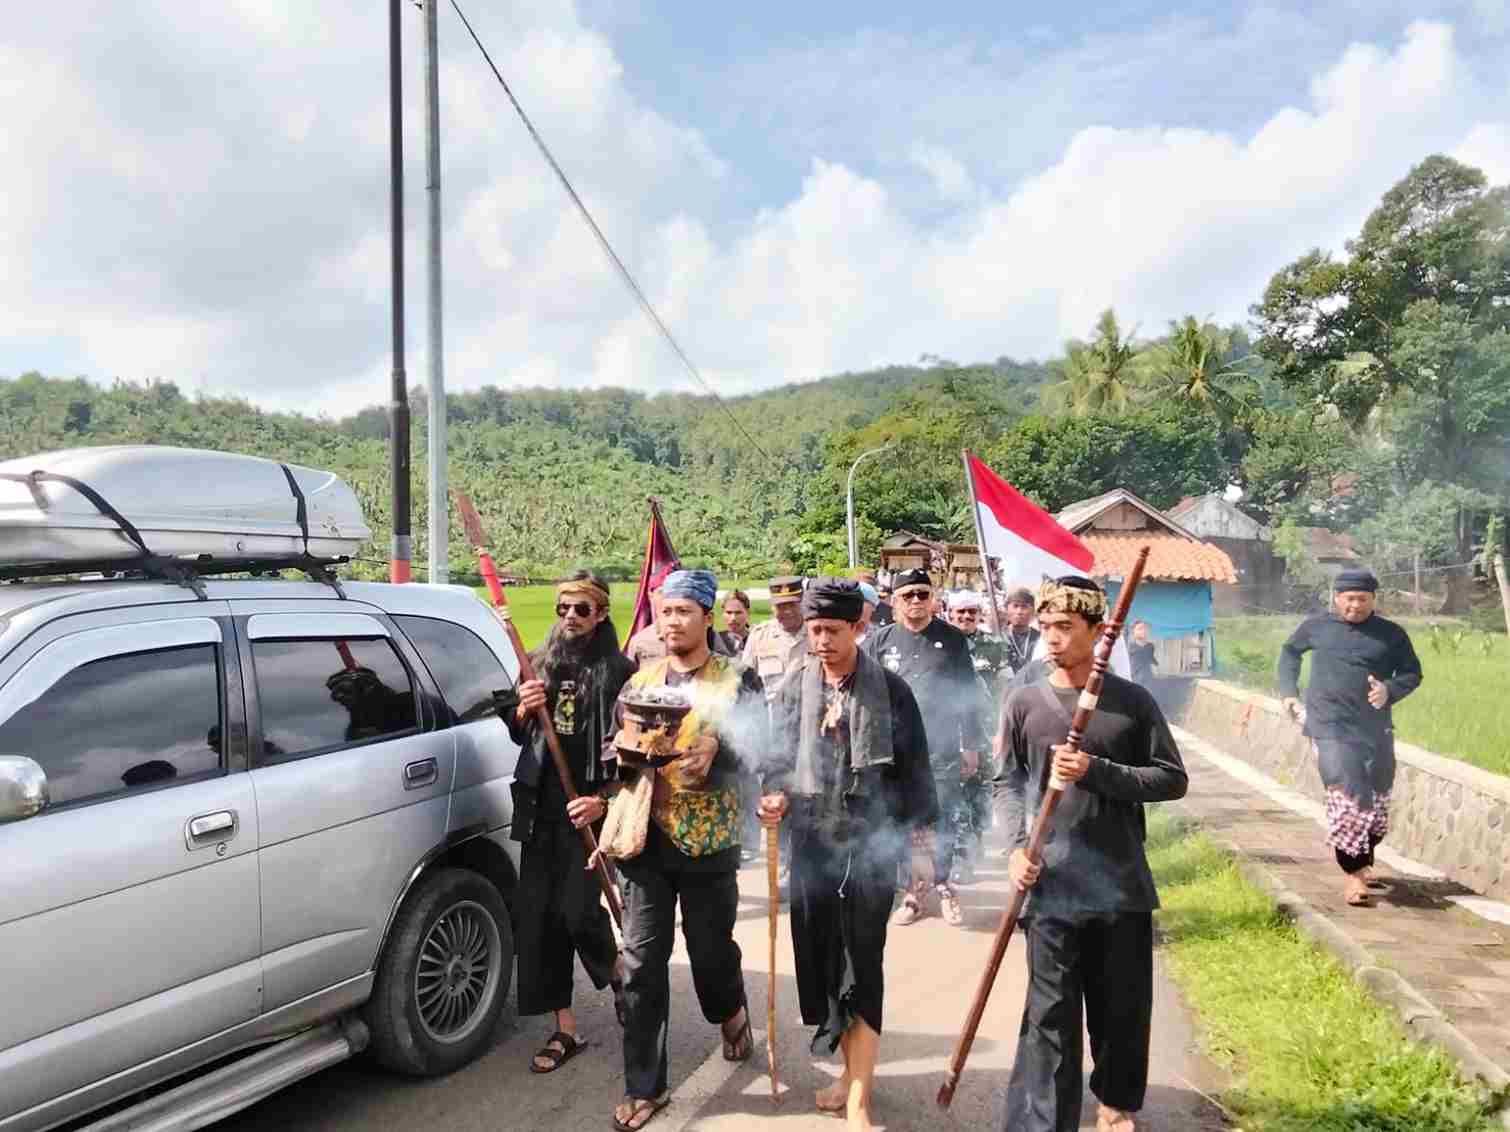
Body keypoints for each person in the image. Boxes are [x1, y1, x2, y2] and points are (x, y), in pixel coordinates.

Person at [998, 576, 1189, 1132]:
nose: (1052, 638)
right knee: (1049, 1014)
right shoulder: (1024, 698)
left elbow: (1171, 779)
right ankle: (1047, 1120)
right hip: (1050, 883)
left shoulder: (1131, 704)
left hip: (1119, 883)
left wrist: (1097, 771)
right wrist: (1015, 848)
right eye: (1045, 627)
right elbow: (1006, 782)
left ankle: (1115, 1100)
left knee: (1120, 1009)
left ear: (1098, 632)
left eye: (1064, 627)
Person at [760, 578, 937, 1132]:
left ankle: (860, 1095)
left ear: (858, 628)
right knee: (822, 962)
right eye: (813, 630)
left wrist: (921, 852)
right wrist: (771, 796)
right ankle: (847, 1073)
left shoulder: (890, 690)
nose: (821, 641)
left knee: (861, 966)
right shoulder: (795, 686)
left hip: (871, 845)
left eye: (832, 630)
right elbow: (776, 758)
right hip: (812, 844)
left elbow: (916, 774)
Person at [608, 569, 766, 1132]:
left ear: (706, 616)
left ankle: (731, 1010)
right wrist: (624, 753)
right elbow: (613, 749)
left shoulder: (737, 679)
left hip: (709, 841)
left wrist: (716, 753)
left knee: (709, 953)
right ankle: (644, 1086)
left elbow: (758, 753)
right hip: (646, 840)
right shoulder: (640, 680)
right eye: (664, 612)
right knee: (642, 962)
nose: (671, 622)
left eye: (683, 612)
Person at [496, 570, 636, 1074]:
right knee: (540, 918)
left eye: (581, 609)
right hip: (541, 805)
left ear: (600, 614)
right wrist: (524, 710)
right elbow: (519, 736)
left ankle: (618, 969)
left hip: (590, 807)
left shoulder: (621, 671)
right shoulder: (534, 663)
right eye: (563, 609)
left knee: (577, 911)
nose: (569, 617)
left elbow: (636, 752)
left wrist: (602, 800)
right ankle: (566, 1028)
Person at [1278, 567, 1423, 907]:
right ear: (1336, 598)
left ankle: (1364, 854)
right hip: (1328, 725)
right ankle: (1353, 874)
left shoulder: (1391, 634)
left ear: (1374, 599)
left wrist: (1389, 689)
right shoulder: (1317, 627)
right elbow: (1289, 653)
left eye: (1362, 599)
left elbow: (1413, 673)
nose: (1355, 605)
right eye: (1349, 598)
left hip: (1375, 729)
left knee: (1377, 801)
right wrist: (1288, 691)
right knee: (1347, 794)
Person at [863, 568, 987, 927]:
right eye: (908, 595)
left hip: (942, 747)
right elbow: (866, 697)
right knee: (903, 821)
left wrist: (972, 745)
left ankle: (945, 885)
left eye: (922, 594)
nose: (915, 601)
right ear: (894, 601)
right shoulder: (879, 642)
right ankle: (914, 893)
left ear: (933, 599)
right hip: (895, 750)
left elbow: (969, 697)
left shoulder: (952, 640)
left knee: (942, 818)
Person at [947, 589, 1008, 883]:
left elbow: (1005, 689)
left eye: (971, 612)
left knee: (981, 791)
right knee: (954, 794)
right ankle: (960, 856)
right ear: (950, 614)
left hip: (985, 730)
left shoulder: (994, 646)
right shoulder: (941, 641)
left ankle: (977, 838)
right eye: (961, 612)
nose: (966, 617)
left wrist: (1002, 728)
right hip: (950, 730)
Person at [741, 574, 807, 699]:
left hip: (809, 715)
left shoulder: (817, 635)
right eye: (780, 606)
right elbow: (746, 682)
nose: (788, 611)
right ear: (772, 607)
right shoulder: (759, 636)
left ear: (803, 603)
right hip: (771, 715)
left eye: (792, 604)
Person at [999, 586, 1041, 676]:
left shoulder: (1040, 639)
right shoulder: (998, 637)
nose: (1019, 611)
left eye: (1024, 606)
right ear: (1007, 609)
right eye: (1015, 606)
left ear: (1033, 611)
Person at [717, 589, 752, 656]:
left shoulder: (756, 641)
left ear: (748, 613)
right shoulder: (715, 641)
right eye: (729, 612)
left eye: (738, 613)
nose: (733, 618)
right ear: (723, 613)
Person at [1127, 621, 1157, 687]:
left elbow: (1152, 660)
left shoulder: (1150, 646)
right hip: (1134, 681)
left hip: (1149, 681)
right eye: (1140, 629)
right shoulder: (1129, 648)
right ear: (1133, 632)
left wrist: (1156, 666)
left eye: (1145, 628)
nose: (1143, 631)